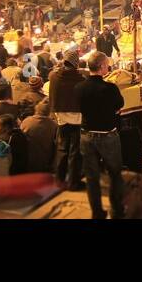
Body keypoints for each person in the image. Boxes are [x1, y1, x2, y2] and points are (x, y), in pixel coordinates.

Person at [76, 51, 125, 219]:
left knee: (91, 177)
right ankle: (117, 211)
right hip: (107, 136)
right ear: (102, 66)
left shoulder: (79, 88)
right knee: (115, 174)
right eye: (107, 64)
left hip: (86, 135)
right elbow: (120, 106)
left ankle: (97, 213)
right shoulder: (110, 88)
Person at [49, 50, 85, 190]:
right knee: (75, 151)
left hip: (61, 118)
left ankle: (59, 180)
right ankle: (73, 182)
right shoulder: (80, 79)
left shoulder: (54, 77)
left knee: (62, 149)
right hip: (77, 119)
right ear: (75, 63)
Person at [20, 100, 58, 173]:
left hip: (28, 162)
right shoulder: (53, 125)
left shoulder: (26, 121)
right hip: (45, 163)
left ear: (36, 109)